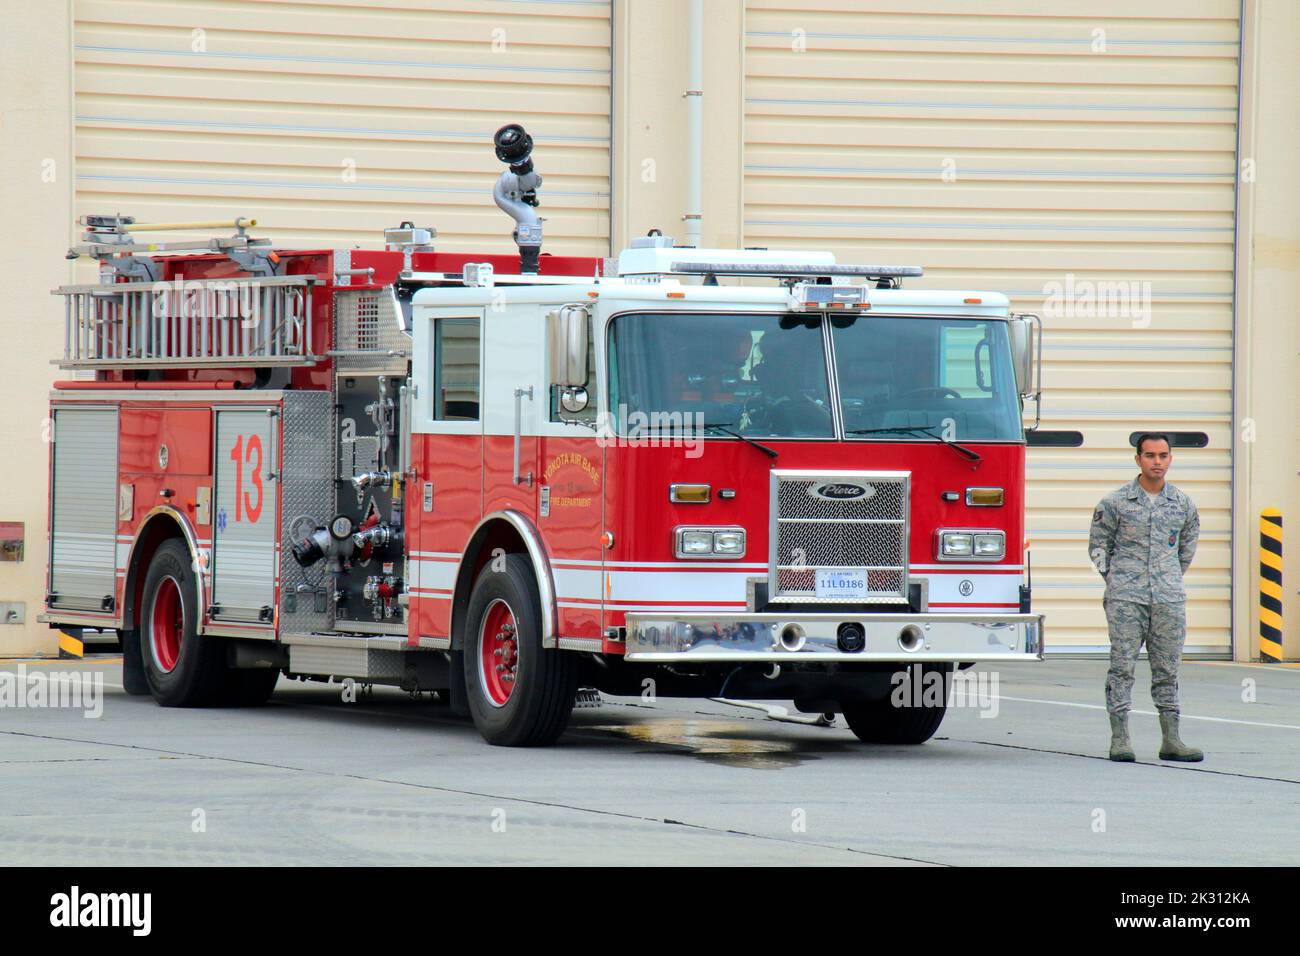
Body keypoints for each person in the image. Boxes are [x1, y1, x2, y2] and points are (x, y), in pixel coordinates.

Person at [1088, 433, 1202, 762]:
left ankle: (1172, 739)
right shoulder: (1115, 503)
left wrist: (1168, 578)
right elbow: (1098, 547)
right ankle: (1120, 738)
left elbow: (1186, 548)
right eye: (1150, 455)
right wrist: (1117, 579)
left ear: (1170, 459)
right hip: (1127, 598)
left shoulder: (1182, 504)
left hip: (1168, 599)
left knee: (1167, 670)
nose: (1157, 461)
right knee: (1122, 667)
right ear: (1137, 459)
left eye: (1163, 455)